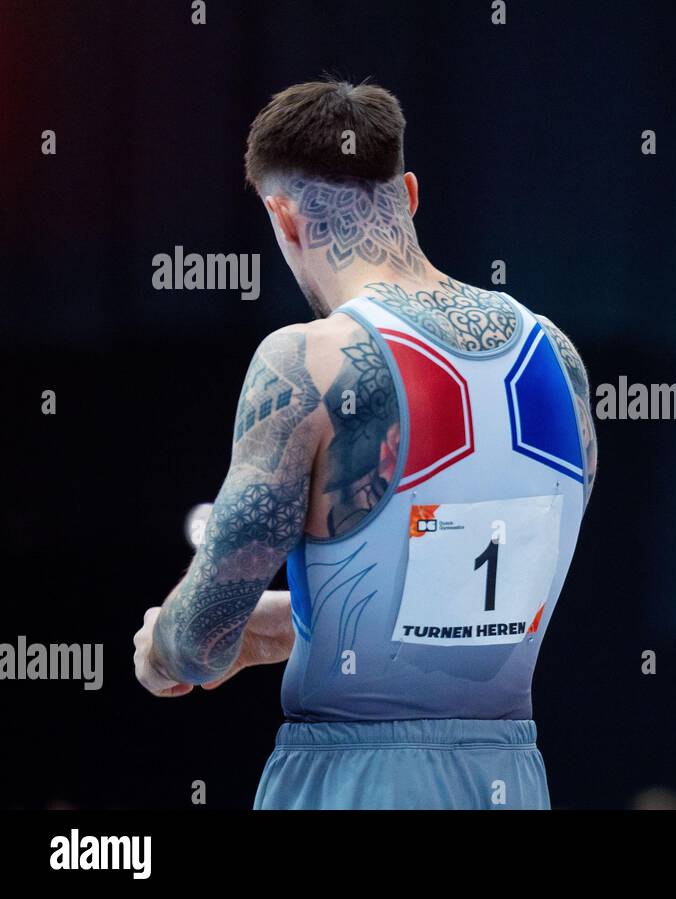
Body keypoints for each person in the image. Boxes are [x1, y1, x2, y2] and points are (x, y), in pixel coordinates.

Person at [132, 79, 597, 809]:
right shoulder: (557, 357)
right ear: (409, 193)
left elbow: (200, 641)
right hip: (509, 778)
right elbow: (477, 604)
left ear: (282, 218)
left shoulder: (307, 360)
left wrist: (162, 647)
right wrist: (286, 623)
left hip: (355, 780)